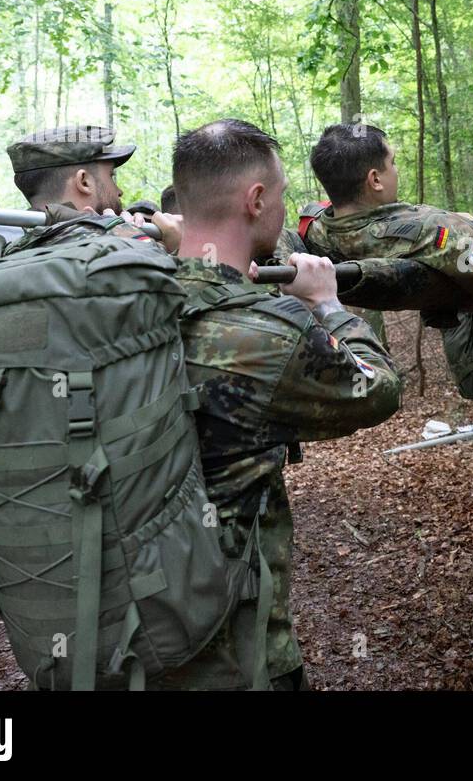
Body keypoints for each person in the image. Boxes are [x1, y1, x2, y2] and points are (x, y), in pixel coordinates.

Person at [160, 119, 401, 689]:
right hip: (237, 642)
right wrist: (327, 304)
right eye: (283, 195)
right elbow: (379, 389)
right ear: (256, 200)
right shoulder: (267, 334)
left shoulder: (130, 298)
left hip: (136, 618)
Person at [300, 123, 473, 316]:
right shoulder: (425, 233)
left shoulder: (319, 229)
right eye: (392, 162)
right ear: (375, 180)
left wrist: (453, 221)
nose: (396, 170)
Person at [5, 125, 181, 253]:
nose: (119, 191)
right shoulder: (120, 250)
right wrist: (178, 250)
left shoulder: (11, 249)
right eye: (111, 176)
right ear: (84, 182)